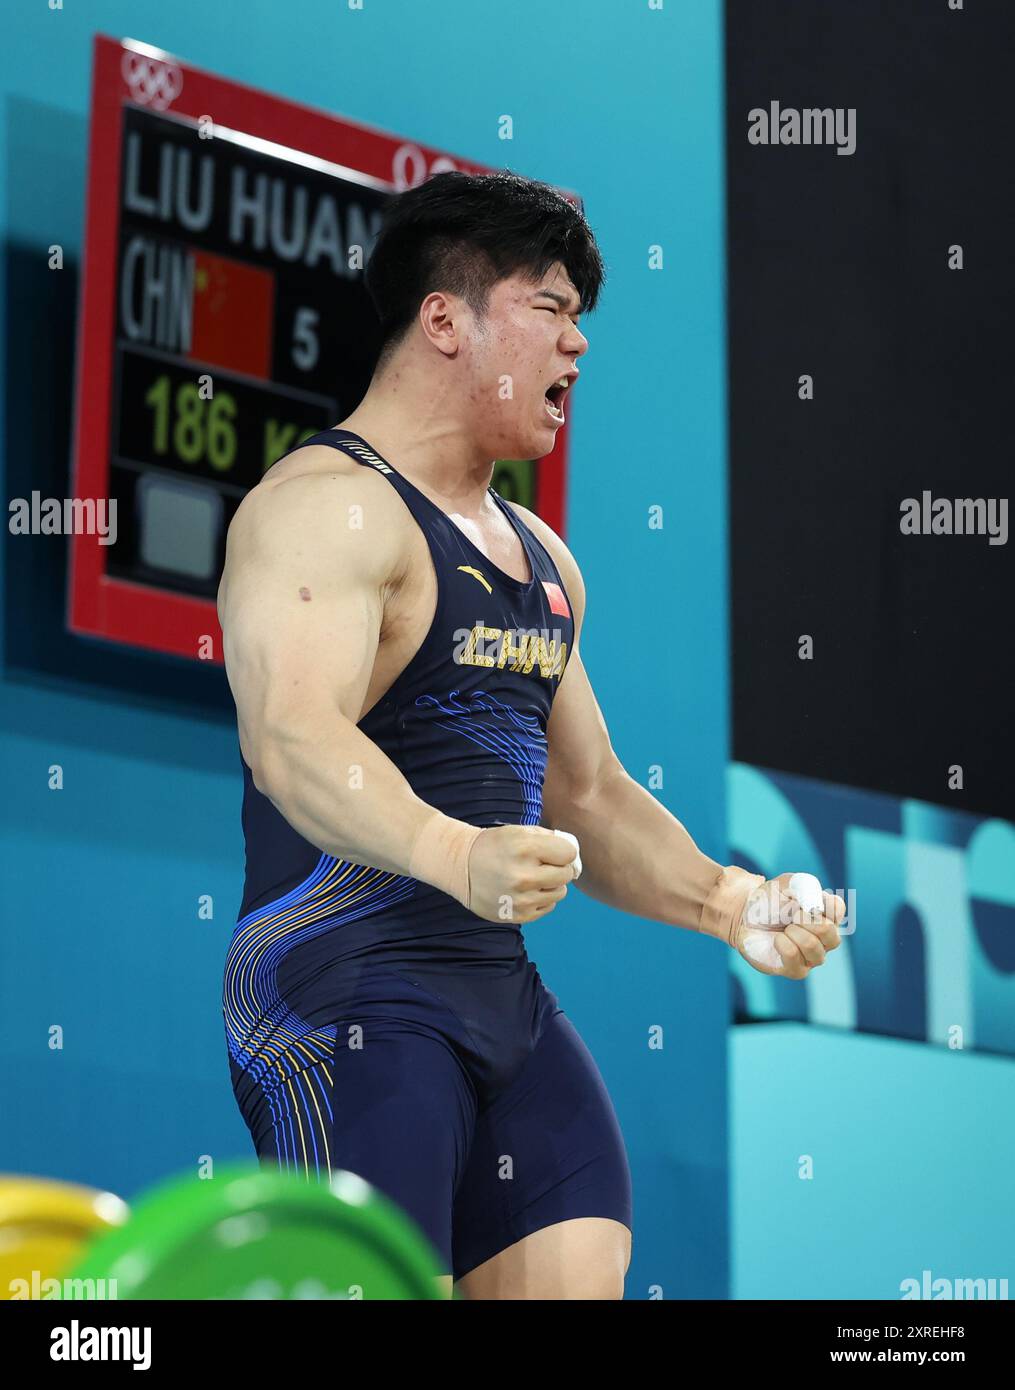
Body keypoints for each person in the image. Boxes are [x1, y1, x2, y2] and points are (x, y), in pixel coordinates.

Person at [218, 170, 844, 1300]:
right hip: (344, 1001)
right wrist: (454, 851)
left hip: (503, 1009)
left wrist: (733, 903)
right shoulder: (321, 506)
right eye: (552, 310)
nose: (579, 346)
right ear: (444, 320)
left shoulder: (542, 562)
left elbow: (590, 795)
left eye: (581, 319)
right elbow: (293, 738)